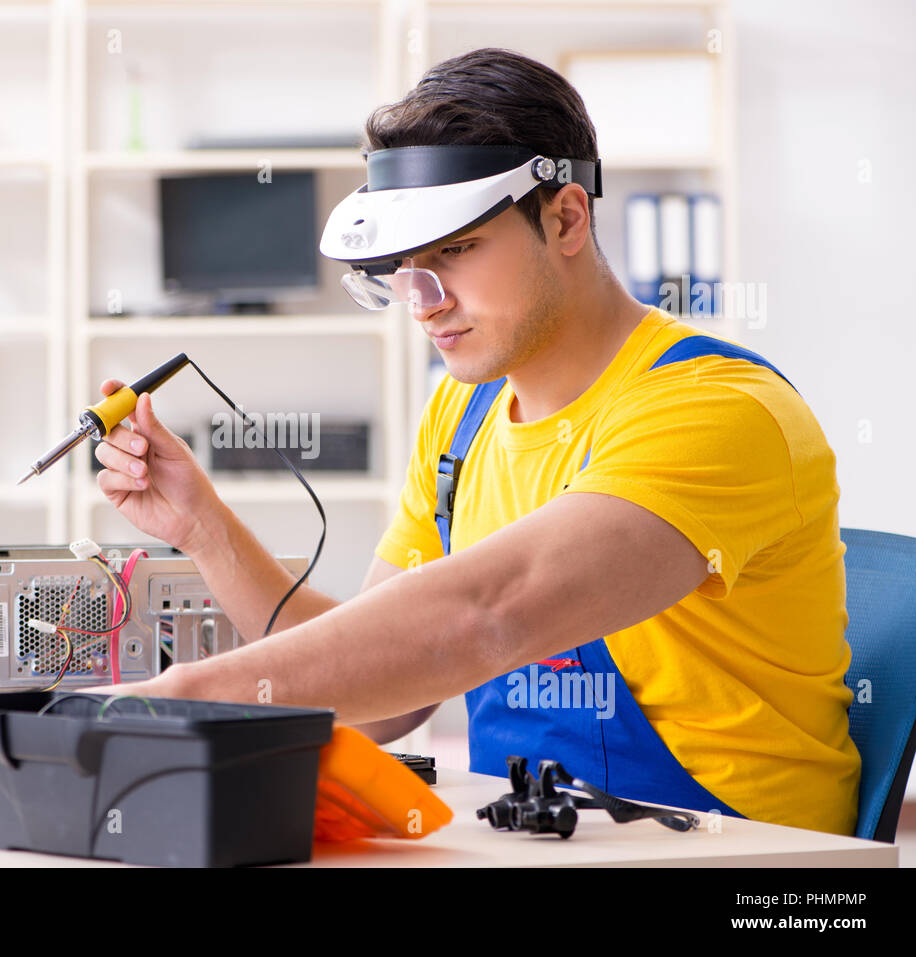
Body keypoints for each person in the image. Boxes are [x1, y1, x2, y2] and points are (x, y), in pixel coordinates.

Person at [85, 48, 860, 836]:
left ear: (565, 217)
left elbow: (490, 615)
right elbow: (383, 697)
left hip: (739, 858)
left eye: (453, 252)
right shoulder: (463, 415)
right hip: (546, 841)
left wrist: (184, 698)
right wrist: (204, 527)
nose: (422, 300)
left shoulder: (716, 410)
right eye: (405, 265)